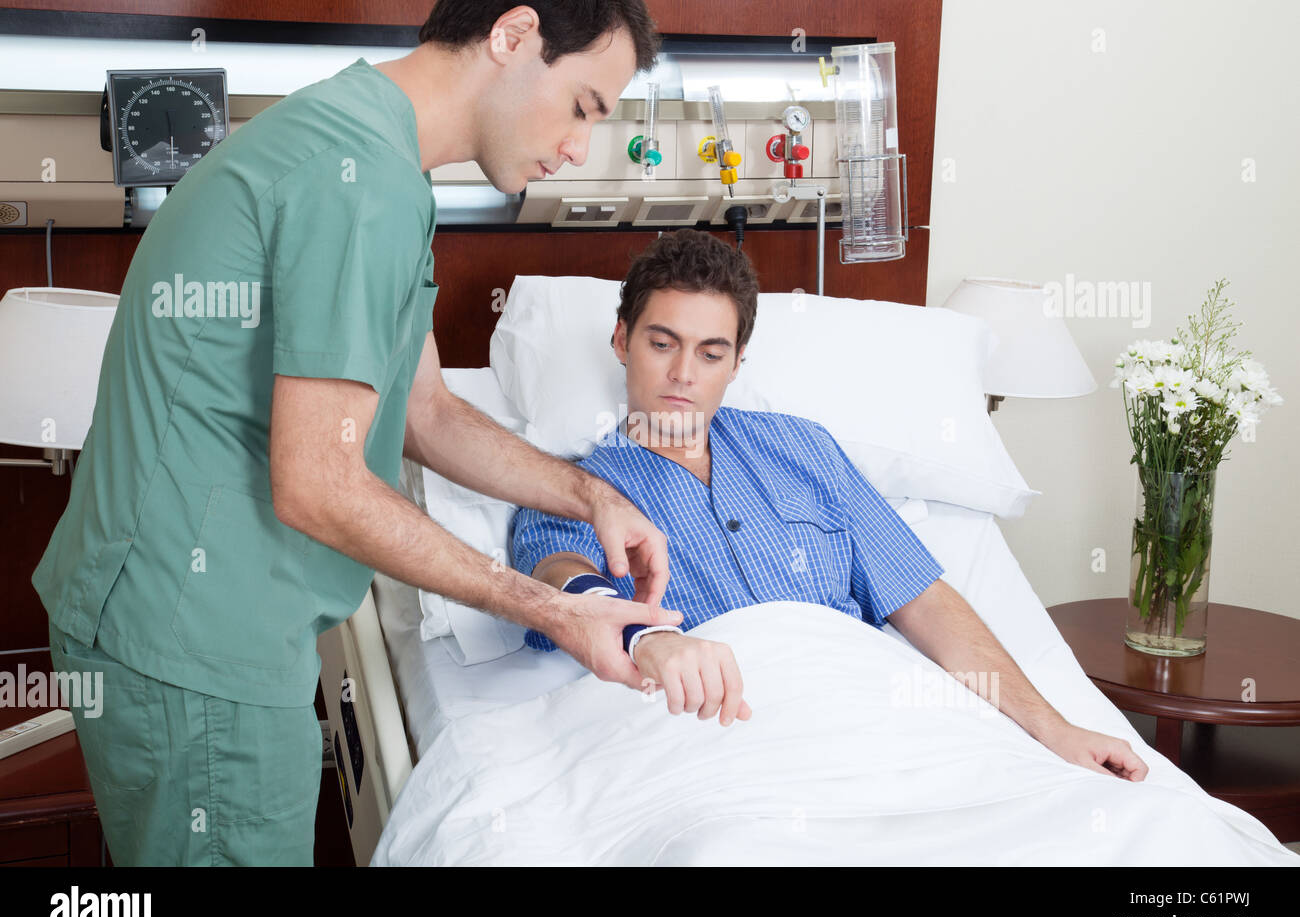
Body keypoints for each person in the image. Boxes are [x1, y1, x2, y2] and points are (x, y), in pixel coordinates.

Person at [31, 1, 680, 866]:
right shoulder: (361, 182)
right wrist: (551, 610)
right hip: (197, 651)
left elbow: (425, 413)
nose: (576, 150)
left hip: (168, 625)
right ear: (513, 34)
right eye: (584, 108)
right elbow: (320, 481)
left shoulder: (364, 150)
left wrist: (591, 493)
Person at [511, 229, 1151, 783]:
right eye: (661, 343)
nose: (684, 373)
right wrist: (649, 637)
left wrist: (1054, 729)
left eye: (711, 353)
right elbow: (560, 577)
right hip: (715, 733)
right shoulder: (573, 487)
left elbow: (921, 599)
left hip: (871, 717)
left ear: (737, 364)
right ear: (621, 340)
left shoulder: (804, 448)